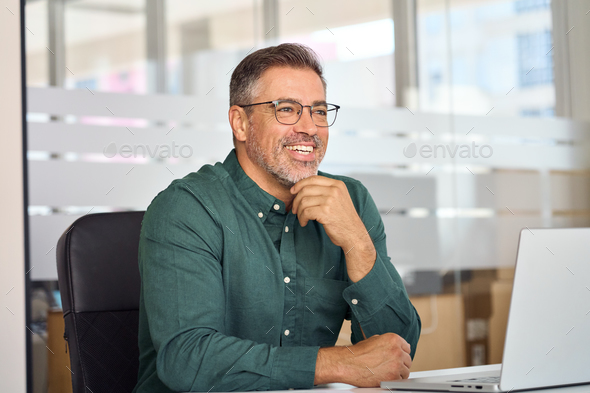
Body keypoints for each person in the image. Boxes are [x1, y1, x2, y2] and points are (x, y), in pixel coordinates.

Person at [133, 43, 421, 393]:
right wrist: (338, 363)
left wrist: (357, 243)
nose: (309, 128)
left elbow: (397, 353)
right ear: (240, 123)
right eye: (287, 109)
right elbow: (187, 359)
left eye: (318, 111)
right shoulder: (187, 209)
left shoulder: (350, 202)